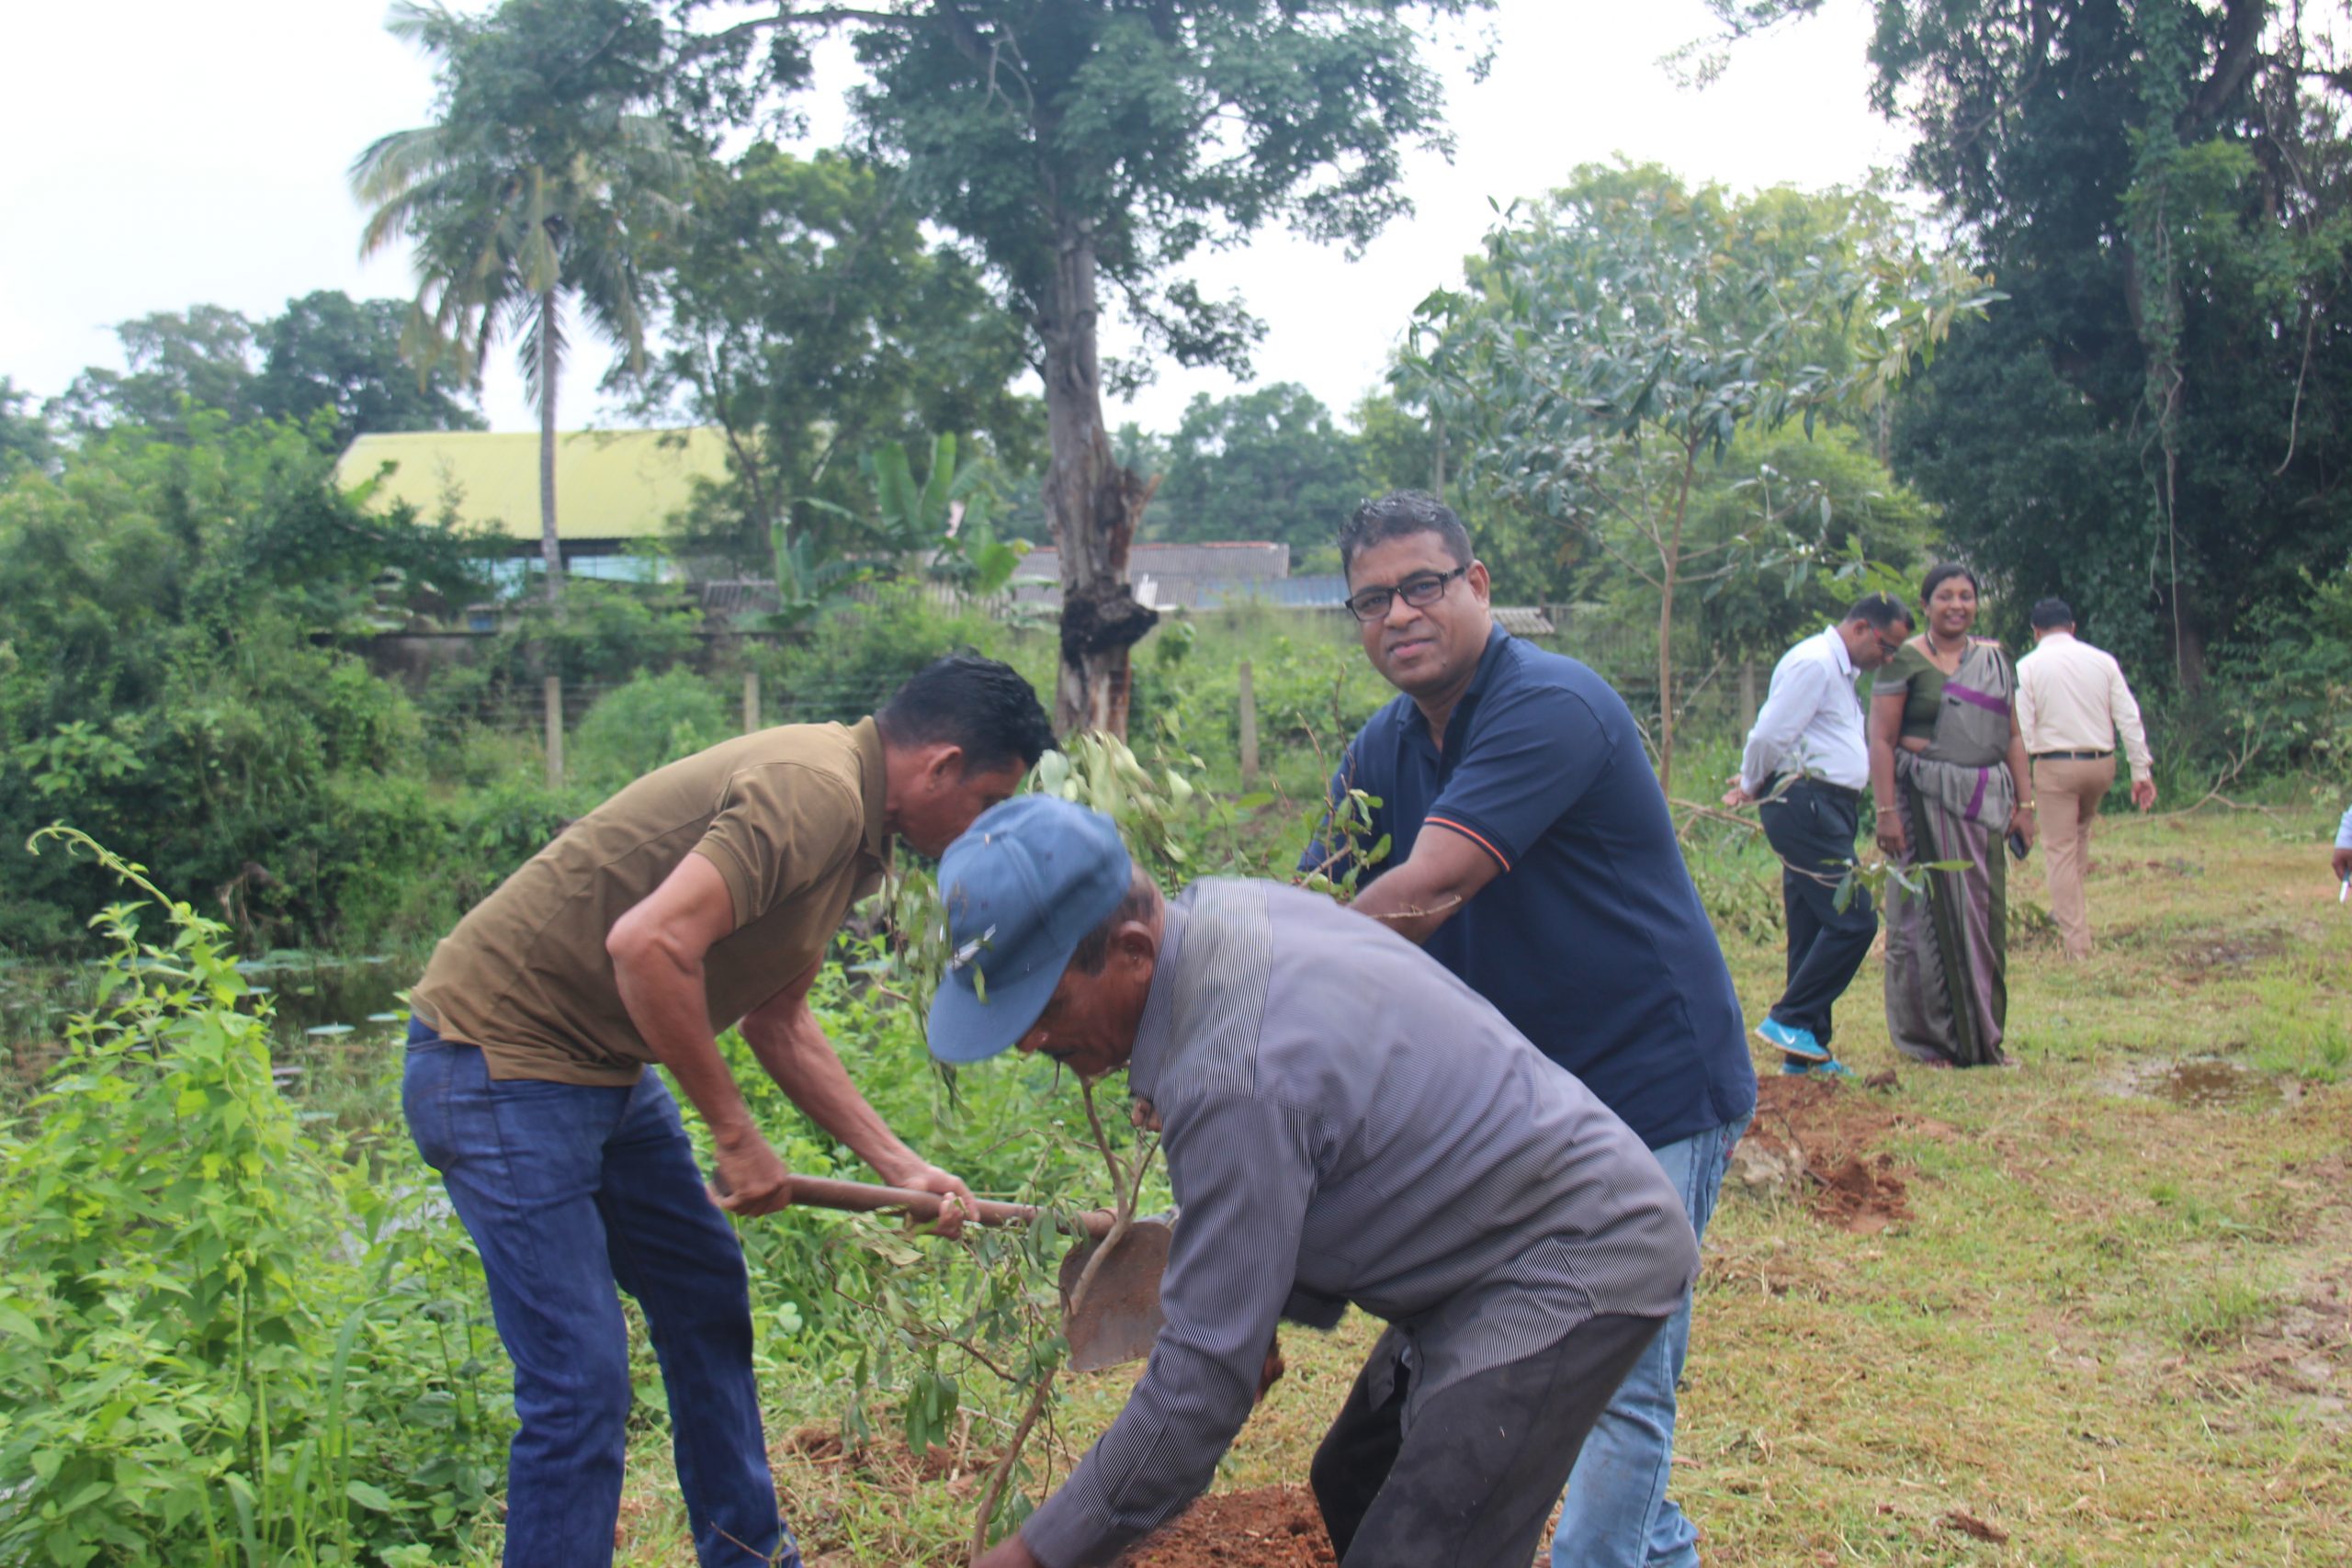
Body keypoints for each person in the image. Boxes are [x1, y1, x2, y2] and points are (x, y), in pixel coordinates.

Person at [401, 655, 1055, 1568]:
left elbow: (776, 1019)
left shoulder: (859, 833)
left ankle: (748, 1555)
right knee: (579, 1381)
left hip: (601, 1065)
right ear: (939, 766)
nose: (984, 829)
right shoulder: (815, 791)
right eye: (989, 802)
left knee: (703, 1297)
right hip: (498, 1061)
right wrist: (735, 1137)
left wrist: (898, 1165)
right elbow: (648, 947)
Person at [929, 795, 1702, 1568]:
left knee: (1422, 1547)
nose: (1030, 1038)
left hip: (1566, 1257)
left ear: (1132, 948)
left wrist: (1033, 1555)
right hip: (1491, 1227)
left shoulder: (1232, 1075)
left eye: (1049, 1003)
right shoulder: (1221, 910)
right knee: (1355, 1477)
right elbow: (1307, 1136)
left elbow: (1200, 1385)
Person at [1303, 491, 1754, 1568]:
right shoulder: (1385, 745)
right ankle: (1658, 1551)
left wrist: (1274, 1002)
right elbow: (1319, 898)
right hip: (1521, 1111)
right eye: (1372, 600)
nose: (1399, 616)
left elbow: (1424, 890)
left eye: (1422, 586)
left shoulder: (1550, 705)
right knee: (1514, 1358)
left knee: (1620, 1380)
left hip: (1646, 1081)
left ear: (1478, 586)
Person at [1723, 594, 1916, 1076]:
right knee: (1856, 920)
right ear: (1863, 629)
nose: (1887, 659)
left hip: (1826, 807)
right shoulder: (1814, 663)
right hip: (1806, 805)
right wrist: (1750, 783)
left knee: (1812, 925)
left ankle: (1807, 1053)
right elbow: (1769, 735)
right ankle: (1789, 1018)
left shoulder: (1837, 670)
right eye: (1888, 647)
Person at [1869, 566, 2038, 1068]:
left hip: (1982, 805)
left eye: (1966, 596)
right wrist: (1885, 812)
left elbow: (2011, 737)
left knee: (1982, 921)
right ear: (1926, 604)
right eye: (1945, 596)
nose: (1957, 605)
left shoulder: (1993, 660)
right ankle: (1931, 1042)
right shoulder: (1903, 663)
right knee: (1922, 924)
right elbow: (1880, 739)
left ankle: (1984, 1038)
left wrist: (2025, 806)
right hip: (1921, 804)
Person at [2014, 598, 2157, 959]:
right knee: (2078, 837)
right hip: (2101, 765)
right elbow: (2128, 716)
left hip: (2055, 766)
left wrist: (2021, 789)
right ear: (2072, 628)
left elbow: (2023, 730)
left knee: (2059, 850)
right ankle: (2069, 913)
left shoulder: (2027, 667)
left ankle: (2077, 945)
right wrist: (2141, 771)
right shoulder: (2102, 661)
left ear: (2035, 632)